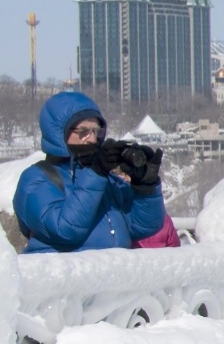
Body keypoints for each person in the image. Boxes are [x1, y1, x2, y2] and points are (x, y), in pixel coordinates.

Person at [14, 91, 165, 253]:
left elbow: (143, 226)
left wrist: (145, 188)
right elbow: (64, 229)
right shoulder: (36, 178)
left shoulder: (106, 179)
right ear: (59, 132)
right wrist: (96, 174)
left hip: (107, 274)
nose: (92, 139)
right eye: (83, 131)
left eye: (96, 132)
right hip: (61, 275)